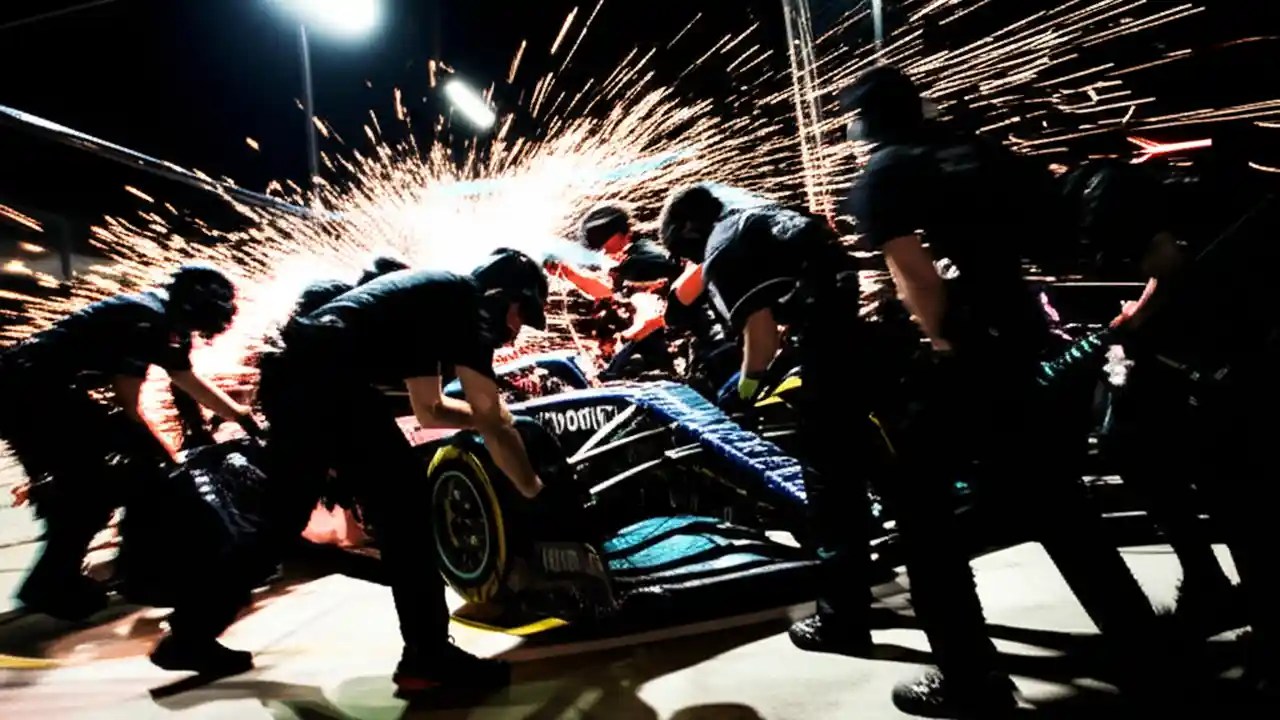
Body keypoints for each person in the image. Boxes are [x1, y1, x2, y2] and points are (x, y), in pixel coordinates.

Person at [839, 65, 1165, 715]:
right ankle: (1150, 654)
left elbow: (916, 275)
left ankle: (969, 679)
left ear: (863, 123)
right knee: (1059, 505)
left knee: (923, 521)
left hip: (963, 360)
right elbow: (1053, 227)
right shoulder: (981, 152)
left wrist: (941, 343)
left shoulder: (886, 171)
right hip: (1022, 336)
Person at [256, 248, 550, 693]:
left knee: (281, 519)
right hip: (333, 387)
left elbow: (431, 410)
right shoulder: (467, 306)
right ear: (501, 296)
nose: (516, 330)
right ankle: (427, 659)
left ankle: (193, 628)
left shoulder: (433, 300)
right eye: (521, 314)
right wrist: (533, 489)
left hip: (293, 381)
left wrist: (494, 416)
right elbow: (487, 416)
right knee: (407, 518)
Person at [1067, 157, 1280, 694]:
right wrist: (1137, 323)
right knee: (1125, 433)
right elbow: (1165, 272)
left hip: (1252, 360)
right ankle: (1209, 583)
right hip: (1219, 353)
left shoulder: (1235, 228)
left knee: (1242, 493)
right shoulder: (1174, 223)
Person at [657, 182, 894, 656]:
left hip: (829, 362)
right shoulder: (773, 215)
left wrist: (745, 390)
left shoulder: (724, 244)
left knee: (830, 494)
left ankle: (842, 619)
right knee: (883, 470)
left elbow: (760, 337)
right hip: (872, 347)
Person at [0, 264, 254, 623]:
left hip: (48, 394)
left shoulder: (170, 323)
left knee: (98, 488)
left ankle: (63, 578)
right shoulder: (147, 319)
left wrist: (240, 415)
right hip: (27, 395)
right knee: (112, 484)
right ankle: (67, 581)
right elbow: (129, 404)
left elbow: (184, 377)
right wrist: (163, 454)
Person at [549, 203, 683, 379]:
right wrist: (567, 272)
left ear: (620, 234)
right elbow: (606, 290)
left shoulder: (642, 261)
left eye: (603, 243)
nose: (602, 251)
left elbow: (652, 307)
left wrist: (632, 335)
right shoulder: (633, 258)